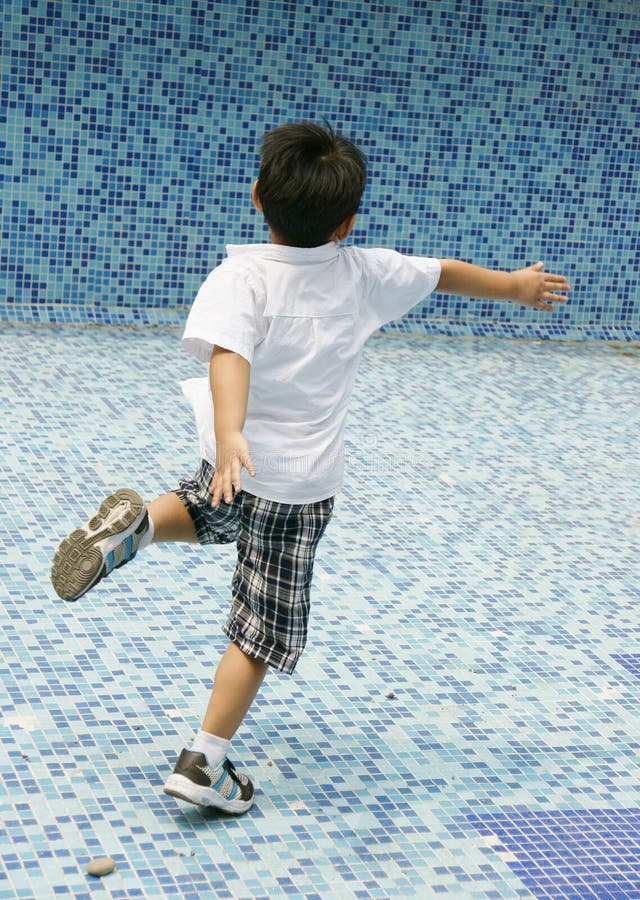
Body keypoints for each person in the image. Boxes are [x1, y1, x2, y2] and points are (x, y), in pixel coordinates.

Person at [51, 122, 570, 814]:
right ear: (346, 222)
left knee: (207, 506)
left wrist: (230, 434)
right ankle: (203, 762)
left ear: (257, 196)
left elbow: (229, 354)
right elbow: (442, 271)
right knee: (258, 629)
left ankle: (135, 529)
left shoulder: (239, 277)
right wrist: (515, 287)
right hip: (296, 487)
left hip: (232, 462)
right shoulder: (364, 273)